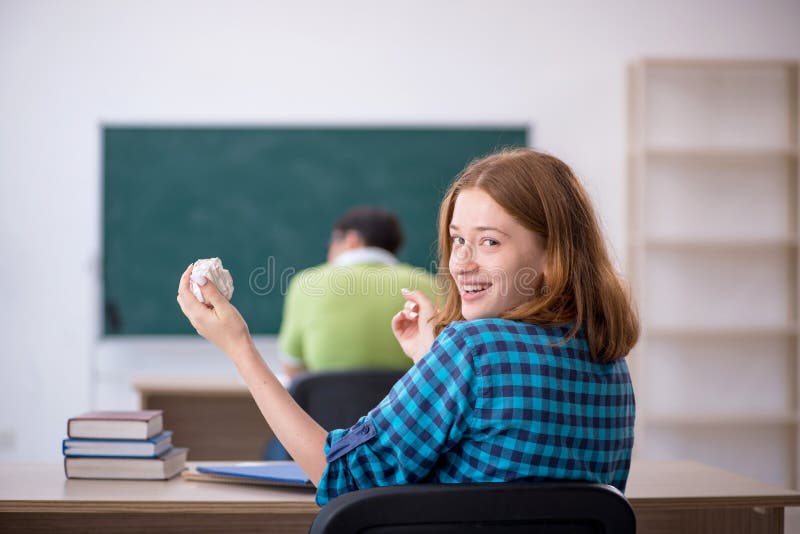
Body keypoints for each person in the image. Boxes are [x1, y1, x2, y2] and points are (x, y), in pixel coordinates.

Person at [176, 148, 639, 507]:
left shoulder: (472, 349)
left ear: (553, 256)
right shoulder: (609, 363)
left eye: (489, 242)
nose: (462, 263)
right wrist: (432, 360)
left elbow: (342, 477)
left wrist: (238, 346)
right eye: (457, 240)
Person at [278, 206, 437, 379]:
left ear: (352, 240)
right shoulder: (429, 284)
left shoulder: (307, 283)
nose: (329, 249)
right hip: (408, 395)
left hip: (327, 396)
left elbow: (292, 365)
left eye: (332, 241)